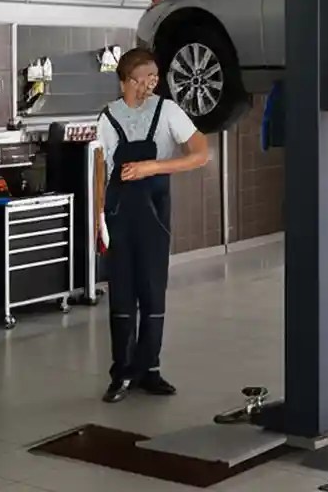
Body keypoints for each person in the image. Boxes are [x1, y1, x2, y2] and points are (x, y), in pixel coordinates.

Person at [96, 48, 209, 403]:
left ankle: (150, 370)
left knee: (152, 290)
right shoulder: (108, 116)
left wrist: (151, 168)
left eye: (153, 78)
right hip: (117, 210)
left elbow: (201, 154)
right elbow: (102, 167)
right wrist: (96, 214)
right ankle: (122, 373)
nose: (148, 85)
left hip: (154, 209)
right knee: (122, 293)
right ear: (123, 81)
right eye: (140, 79)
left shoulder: (168, 112)